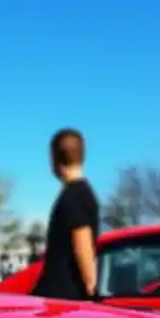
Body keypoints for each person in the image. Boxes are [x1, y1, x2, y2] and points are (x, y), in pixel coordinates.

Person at [31, 128, 100, 301]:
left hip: (65, 300)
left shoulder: (75, 196)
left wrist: (92, 289)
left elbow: (82, 243)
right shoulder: (81, 194)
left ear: (54, 158)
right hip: (64, 298)